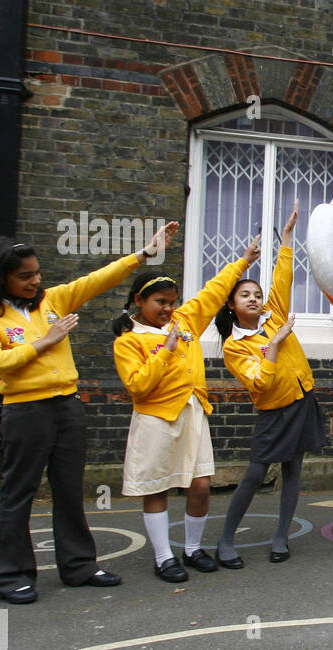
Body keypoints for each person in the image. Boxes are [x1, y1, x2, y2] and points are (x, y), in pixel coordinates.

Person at [0, 223, 178, 604]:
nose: (35, 281)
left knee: (68, 490)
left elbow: (95, 281)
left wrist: (143, 255)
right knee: (19, 493)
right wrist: (44, 342)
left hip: (67, 405)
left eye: (37, 273)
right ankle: (11, 574)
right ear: (0, 278)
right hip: (25, 410)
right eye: (25, 276)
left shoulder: (51, 301)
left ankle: (79, 566)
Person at [112, 235, 261, 582]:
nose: (167, 308)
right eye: (159, 302)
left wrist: (243, 262)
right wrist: (165, 350)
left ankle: (192, 549)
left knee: (201, 485)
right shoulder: (128, 341)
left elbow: (213, 291)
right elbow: (137, 386)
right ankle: (163, 557)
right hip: (155, 418)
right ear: (139, 301)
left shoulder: (184, 320)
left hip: (192, 411)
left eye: (171, 302)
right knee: (157, 487)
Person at [213, 203, 324, 567]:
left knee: (294, 470)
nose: (255, 298)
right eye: (245, 295)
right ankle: (226, 540)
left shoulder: (272, 315)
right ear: (231, 304)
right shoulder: (234, 346)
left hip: (301, 400)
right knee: (256, 474)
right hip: (273, 412)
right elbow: (260, 382)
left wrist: (288, 237)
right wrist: (274, 345)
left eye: (257, 294)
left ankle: (281, 537)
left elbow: (283, 276)